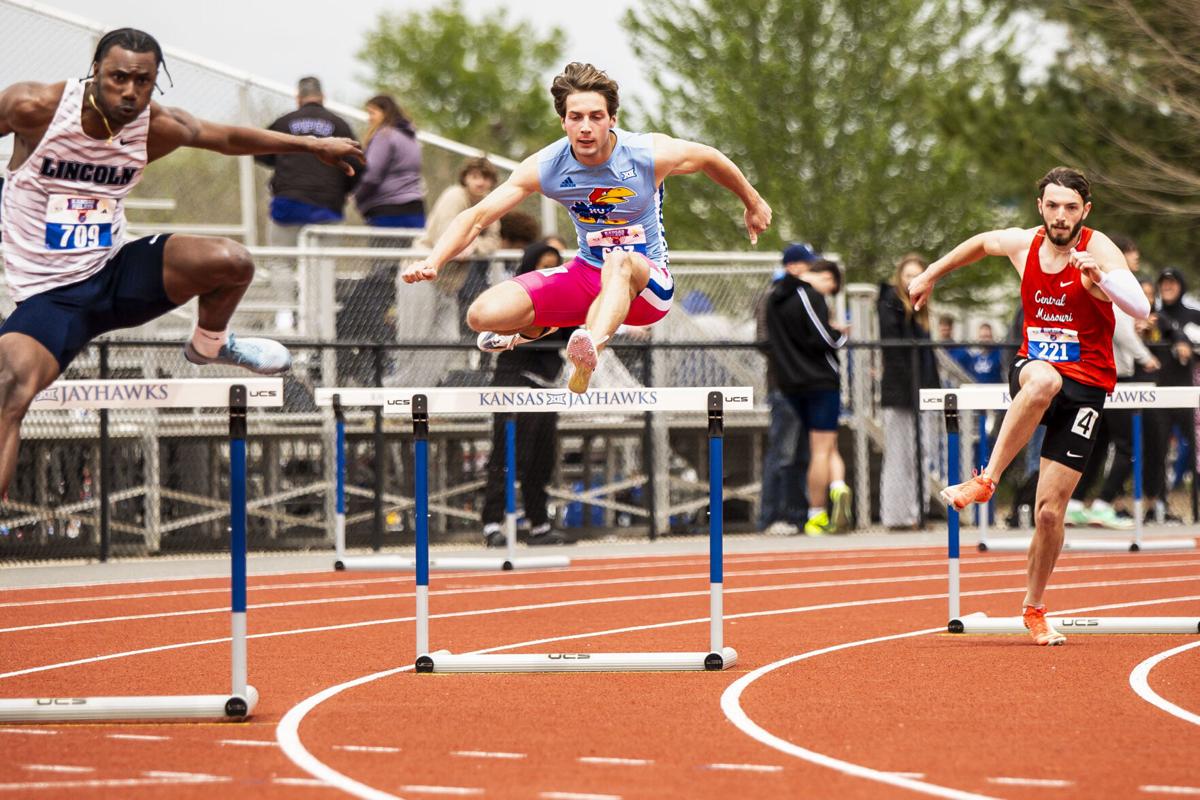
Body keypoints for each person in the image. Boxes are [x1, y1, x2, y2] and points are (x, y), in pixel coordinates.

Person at [0, 28, 363, 496]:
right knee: (10, 390)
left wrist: (313, 146)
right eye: (118, 78)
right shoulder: (36, 108)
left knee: (232, 262)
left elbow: (226, 136)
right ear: (95, 71)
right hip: (50, 298)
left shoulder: (157, 126)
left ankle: (210, 344)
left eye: (143, 81)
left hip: (114, 274)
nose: (130, 92)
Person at [401, 62, 772, 394]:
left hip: (646, 285)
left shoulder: (646, 153)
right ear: (563, 121)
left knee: (620, 262)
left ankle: (586, 351)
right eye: (576, 117)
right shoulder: (548, 165)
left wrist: (752, 202)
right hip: (587, 274)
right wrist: (435, 260)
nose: (586, 127)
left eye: (596, 116)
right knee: (483, 314)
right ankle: (541, 330)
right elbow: (477, 216)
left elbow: (709, 157)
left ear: (612, 118)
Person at [909, 166, 1150, 646]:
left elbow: (1140, 309)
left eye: (1071, 207)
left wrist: (1101, 278)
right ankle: (987, 480)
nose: (1062, 216)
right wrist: (932, 274)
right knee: (1041, 379)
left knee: (1048, 514)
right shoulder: (1024, 244)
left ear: (1086, 210)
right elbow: (980, 243)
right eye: (1053, 206)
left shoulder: (1098, 249)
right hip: (1035, 364)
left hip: (1088, 387)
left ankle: (1034, 606)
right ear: (1040, 206)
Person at [480, 239, 573, 547]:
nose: (550, 272)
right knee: (509, 454)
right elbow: (498, 334)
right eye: (544, 267)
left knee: (541, 458)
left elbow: (575, 334)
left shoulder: (563, 298)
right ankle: (492, 524)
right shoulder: (515, 296)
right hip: (515, 381)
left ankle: (539, 525)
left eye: (555, 266)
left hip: (547, 385)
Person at [1065, 235, 1158, 529]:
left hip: (1102, 373)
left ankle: (1077, 502)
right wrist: (1145, 357)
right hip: (1115, 375)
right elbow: (1120, 329)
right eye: (1132, 254)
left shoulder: (1099, 280)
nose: (1136, 259)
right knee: (1127, 446)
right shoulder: (1112, 281)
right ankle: (1103, 503)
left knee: (1099, 443)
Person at [766, 258, 852, 535]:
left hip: (789, 383)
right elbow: (823, 338)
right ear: (823, 275)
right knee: (822, 449)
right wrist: (840, 335)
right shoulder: (807, 295)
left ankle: (836, 489)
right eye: (831, 285)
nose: (829, 292)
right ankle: (819, 510)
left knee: (825, 446)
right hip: (819, 381)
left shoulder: (773, 298)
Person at [756, 243, 818, 534]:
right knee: (782, 453)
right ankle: (772, 516)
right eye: (807, 264)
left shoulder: (805, 295)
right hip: (784, 385)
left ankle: (796, 515)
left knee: (801, 455)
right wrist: (797, 360)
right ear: (793, 266)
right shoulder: (774, 295)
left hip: (805, 386)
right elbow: (764, 339)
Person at [877, 253, 940, 530]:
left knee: (922, 452)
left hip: (922, 392)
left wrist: (932, 392)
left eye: (918, 275)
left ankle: (918, 511)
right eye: (907, 275)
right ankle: (897, 515)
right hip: (901, 393)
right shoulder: (891, 304)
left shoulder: (923, 311)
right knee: (900, 454)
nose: (912, 280)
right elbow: (894, 350)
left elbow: (929, 357)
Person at [256, 76, 359, 244]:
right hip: (328, 204)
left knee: (281, 263)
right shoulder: (339, 125)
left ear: (298, 98)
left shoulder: (283, 122)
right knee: (322, 266)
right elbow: (357, 163)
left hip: (289, 203)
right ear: (322, 97)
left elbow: (259, 151)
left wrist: (282, 162)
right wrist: (345, 190)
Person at [353, 93, 424, 228]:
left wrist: (358, 195)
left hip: (388, 210)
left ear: (385, 112)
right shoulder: (411, 137)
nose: (369, 119)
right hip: (415, 209)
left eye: (372, 113)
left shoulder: (384, 135)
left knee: (382, 249)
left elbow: (372, 175)